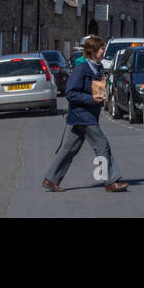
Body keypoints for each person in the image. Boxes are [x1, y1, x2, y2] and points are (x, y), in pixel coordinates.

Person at [43, 35, 127, 193]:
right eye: (101, 48)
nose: (103, 51)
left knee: (69, 148)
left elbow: (96, 91)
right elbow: (70, 93)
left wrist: (101, 84)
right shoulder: (81, 68)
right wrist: (91, 98)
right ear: (93, 51)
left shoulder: (98, 67)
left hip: (89, 114)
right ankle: (109, 180)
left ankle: (51, 179)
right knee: (102, 145)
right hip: (82, 114)